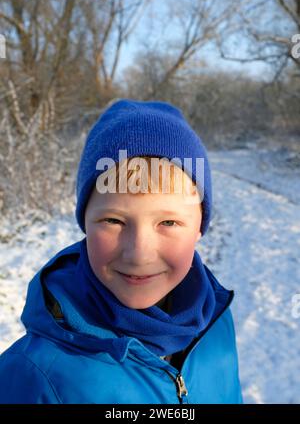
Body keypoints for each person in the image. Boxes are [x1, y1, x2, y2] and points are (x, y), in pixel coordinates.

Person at [0, 99, 243, 404]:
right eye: (113, 220)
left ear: (199, 227)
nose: (139, 253)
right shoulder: (35, 375)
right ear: (85, 223)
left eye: (168, 221)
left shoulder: (215, 325)